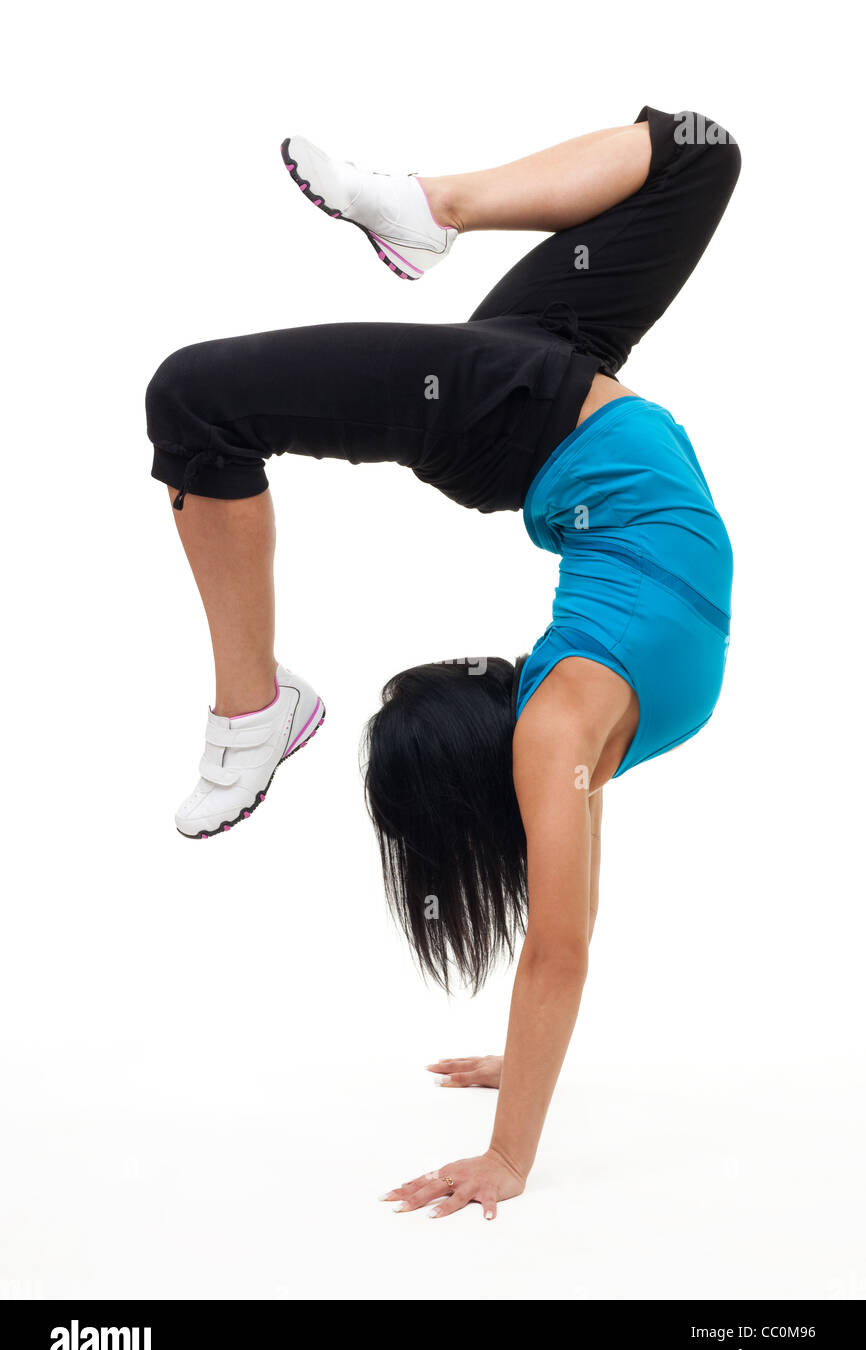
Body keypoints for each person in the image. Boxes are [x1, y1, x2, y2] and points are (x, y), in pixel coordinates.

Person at [146, 106, 740, 1218]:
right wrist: (510, 1143)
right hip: (524, 408)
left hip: (542, 396)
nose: (463, 665)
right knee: (190, 395)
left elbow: (562, 923)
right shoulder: (561, 733)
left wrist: (524, 1060)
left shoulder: (584, 735)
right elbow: (559, 945)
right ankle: (251, 709)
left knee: (697, 150)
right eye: (439, 689)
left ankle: (435, 207)